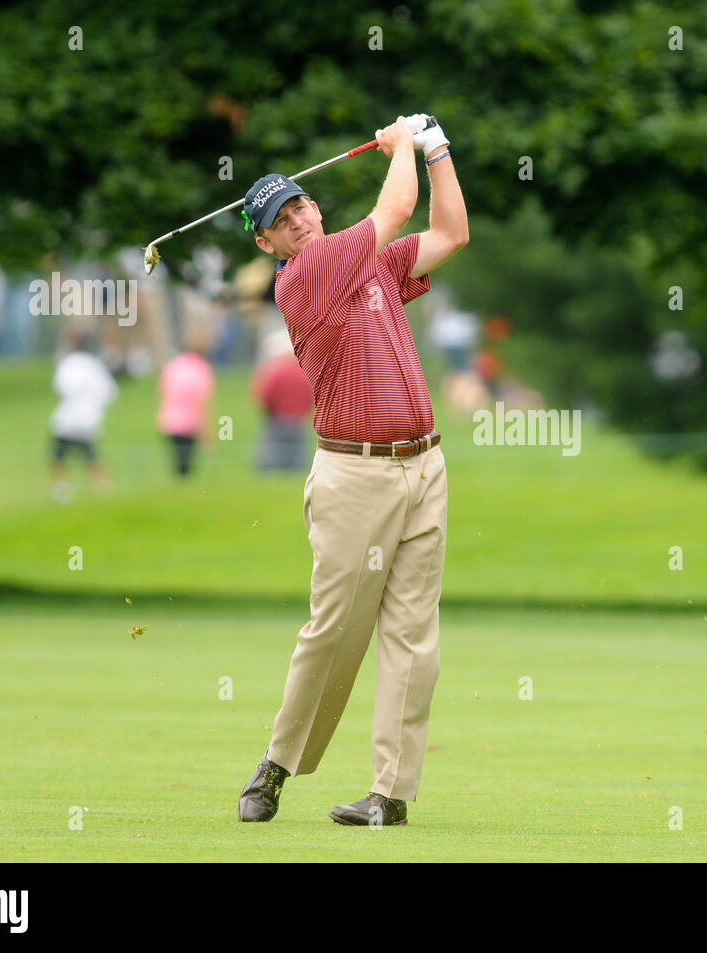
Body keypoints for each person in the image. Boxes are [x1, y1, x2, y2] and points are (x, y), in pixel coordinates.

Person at [237, 113, 468, 827]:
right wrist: (402, 144)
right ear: (267, 241)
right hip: (353, 477)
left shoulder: (372, 262)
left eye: (301, 202)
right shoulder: (305, 275)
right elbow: (393, 208)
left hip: (423, 466)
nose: (298, 217)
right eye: (281, 216)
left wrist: (436, 152)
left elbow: (450, 234)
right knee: (335, 630)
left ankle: (389, 794)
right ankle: (278, 763)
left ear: (316, 206)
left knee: (411, 635)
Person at [49, 326, 118, 503]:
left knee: (57, 457)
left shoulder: (68, 364)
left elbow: (62, 388)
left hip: (68, 420)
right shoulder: (95, 365)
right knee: (91, 456)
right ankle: (102, 488)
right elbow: (109, 392)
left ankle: (62, 490)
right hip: (90, 419)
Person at [251, 332, 315, 471]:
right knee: (297, 457)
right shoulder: (304, 373)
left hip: (278, 418)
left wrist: (269, 410)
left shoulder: (276, 373)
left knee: (272, 456)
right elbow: (312, 397)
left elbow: (265, 396)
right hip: (298, 419)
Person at [157, 334, 214, 477]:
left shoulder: (174, 365)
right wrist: (208, 429)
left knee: (177, 459)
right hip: (190, 421)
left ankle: (179, 486)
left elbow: (162, 390)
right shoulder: (202, 368)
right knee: (187, 463)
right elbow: (203, 400)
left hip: (169, 419)